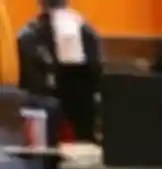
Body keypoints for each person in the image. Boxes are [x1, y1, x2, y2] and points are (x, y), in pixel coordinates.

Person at [16, 0, 101, 141]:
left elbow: (93, 77)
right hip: (50, 110)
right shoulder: (30, 35)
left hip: (73, 109)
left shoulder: (86, 33)